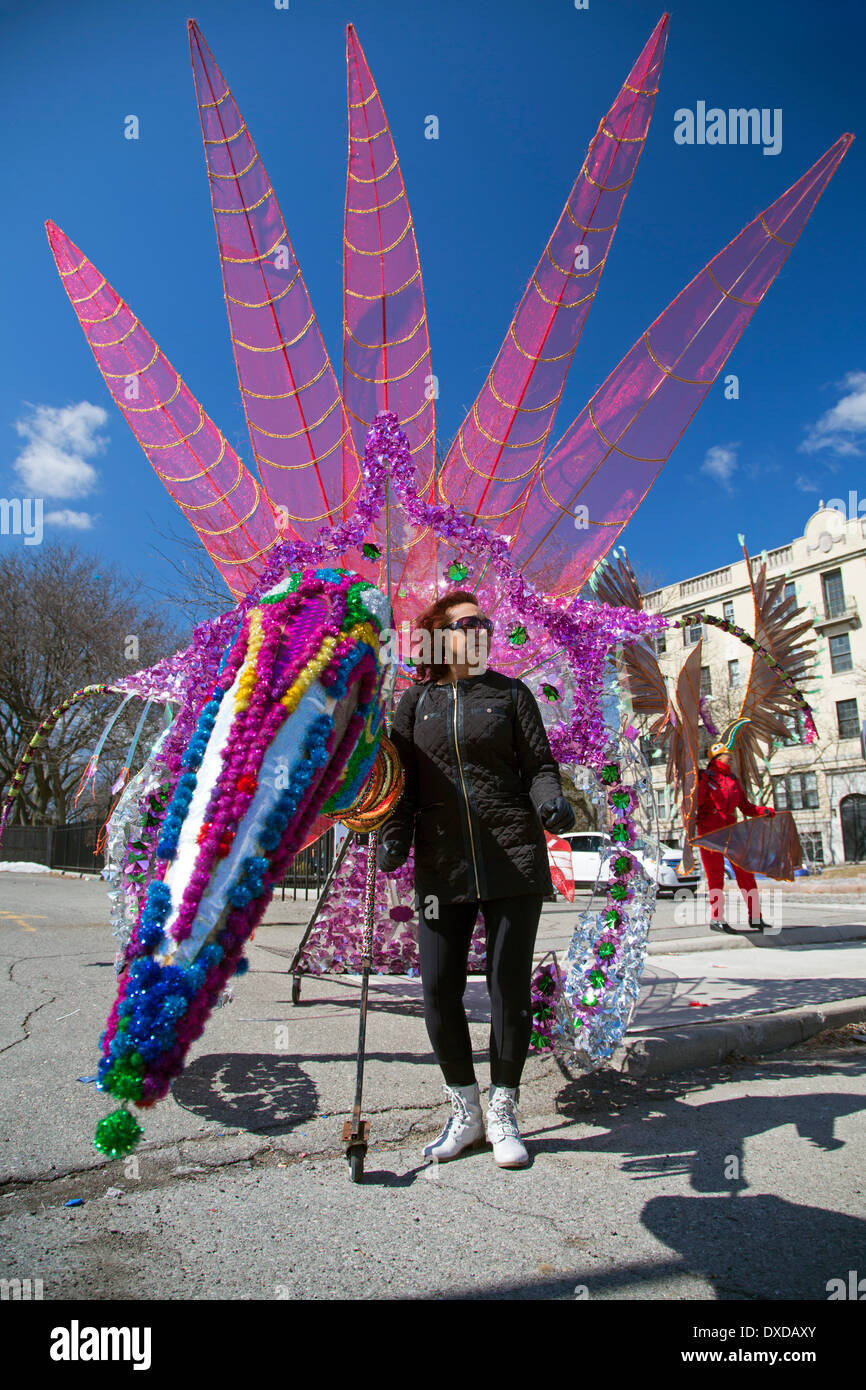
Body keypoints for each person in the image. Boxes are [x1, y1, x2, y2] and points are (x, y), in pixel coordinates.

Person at [377, 589, 574, 1168]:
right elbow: (401, 783)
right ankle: (464, 1110)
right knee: (438, 986)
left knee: (508, 987)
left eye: (485, 622)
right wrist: (392, 831)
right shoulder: (415, 704)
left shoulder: (511, 694)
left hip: (512, 856)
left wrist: (551, 801)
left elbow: (539, 765)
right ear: (440, 634)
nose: (481, 629)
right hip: (443, 864)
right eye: (468, 623)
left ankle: (504, 1111)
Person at [696, 741, 776, 934]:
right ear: (716, 758)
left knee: (745, 873)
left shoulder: (732, 780)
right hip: (710, 832)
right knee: (715, 876)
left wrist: (763, 811)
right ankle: (717, 918)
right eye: (726, 755)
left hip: (732, 831)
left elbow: (745, 807)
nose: (730, 758)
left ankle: (755, 916)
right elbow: (695, 804)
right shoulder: (705, 778)